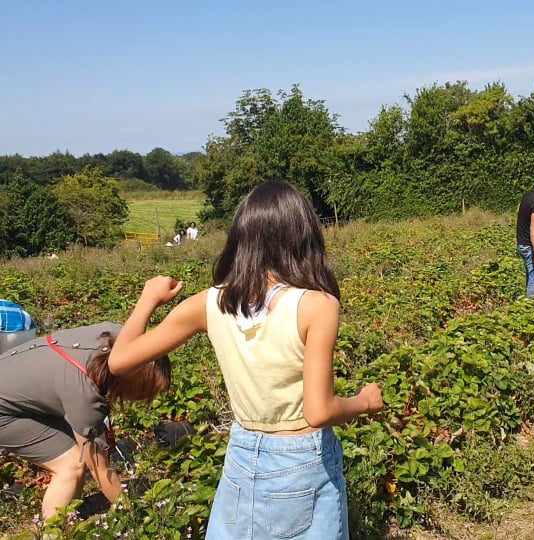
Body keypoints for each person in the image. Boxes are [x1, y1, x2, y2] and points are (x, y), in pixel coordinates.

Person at [108, 180, 384, 539]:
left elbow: (119, 361)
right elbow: (319, 412)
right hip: (301, 458)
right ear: (304, 236)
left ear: (241, 238)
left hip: (242, 454)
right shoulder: (316, 306)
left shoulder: (210, 303)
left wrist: (148, 299)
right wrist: (364, 402)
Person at [0, 322, 171, 519]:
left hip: (10, 373)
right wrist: (133, 517)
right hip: (5, 410)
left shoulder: (116, 336)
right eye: (145, 392)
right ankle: (54, 529)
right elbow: (99, 469)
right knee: (72, 464)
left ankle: (67, 518)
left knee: (77, 449)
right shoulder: (85, 394)